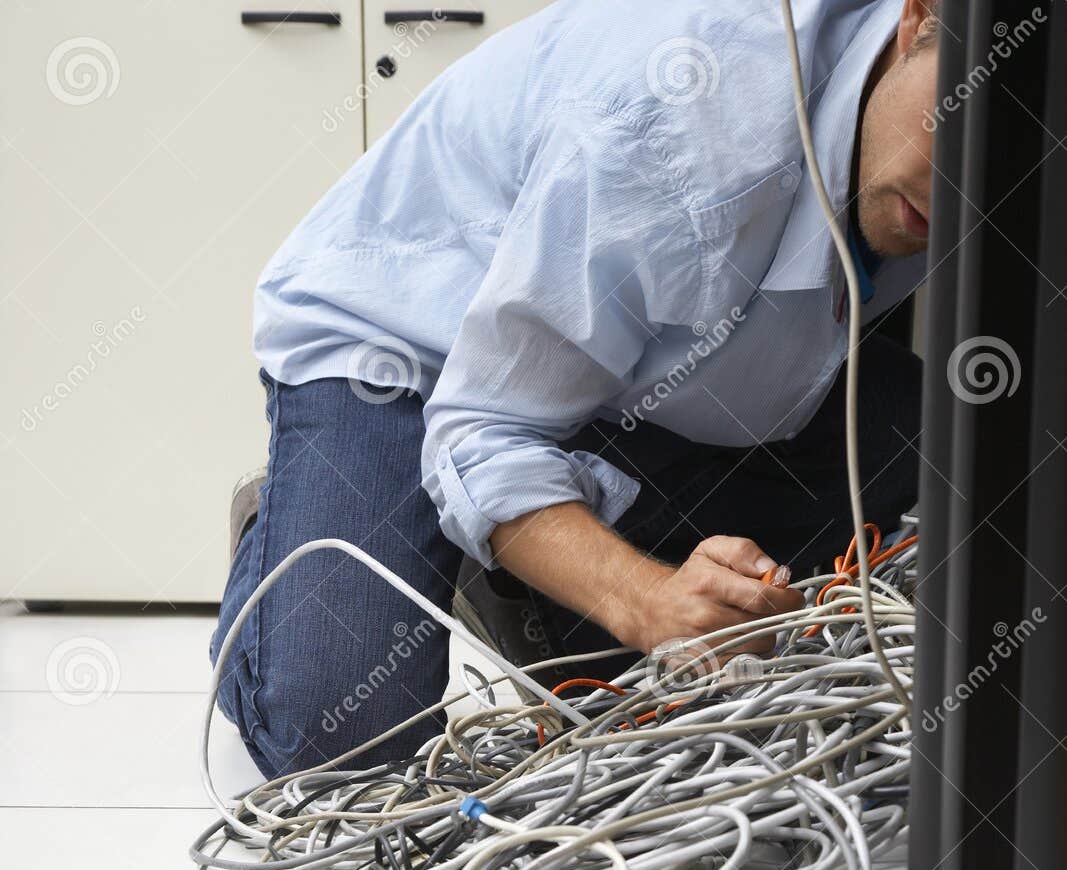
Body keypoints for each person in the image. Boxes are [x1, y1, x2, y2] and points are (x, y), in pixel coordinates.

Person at [213, 0, 937, 778]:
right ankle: (299, 518)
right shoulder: (680, 137)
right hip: (406, 350)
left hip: (613, 367)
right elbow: (484, 428)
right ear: (919, 19)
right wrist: (648, 601)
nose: (963, 194)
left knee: (950, 425)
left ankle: (513, 569)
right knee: (341, 737)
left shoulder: (942, 156)